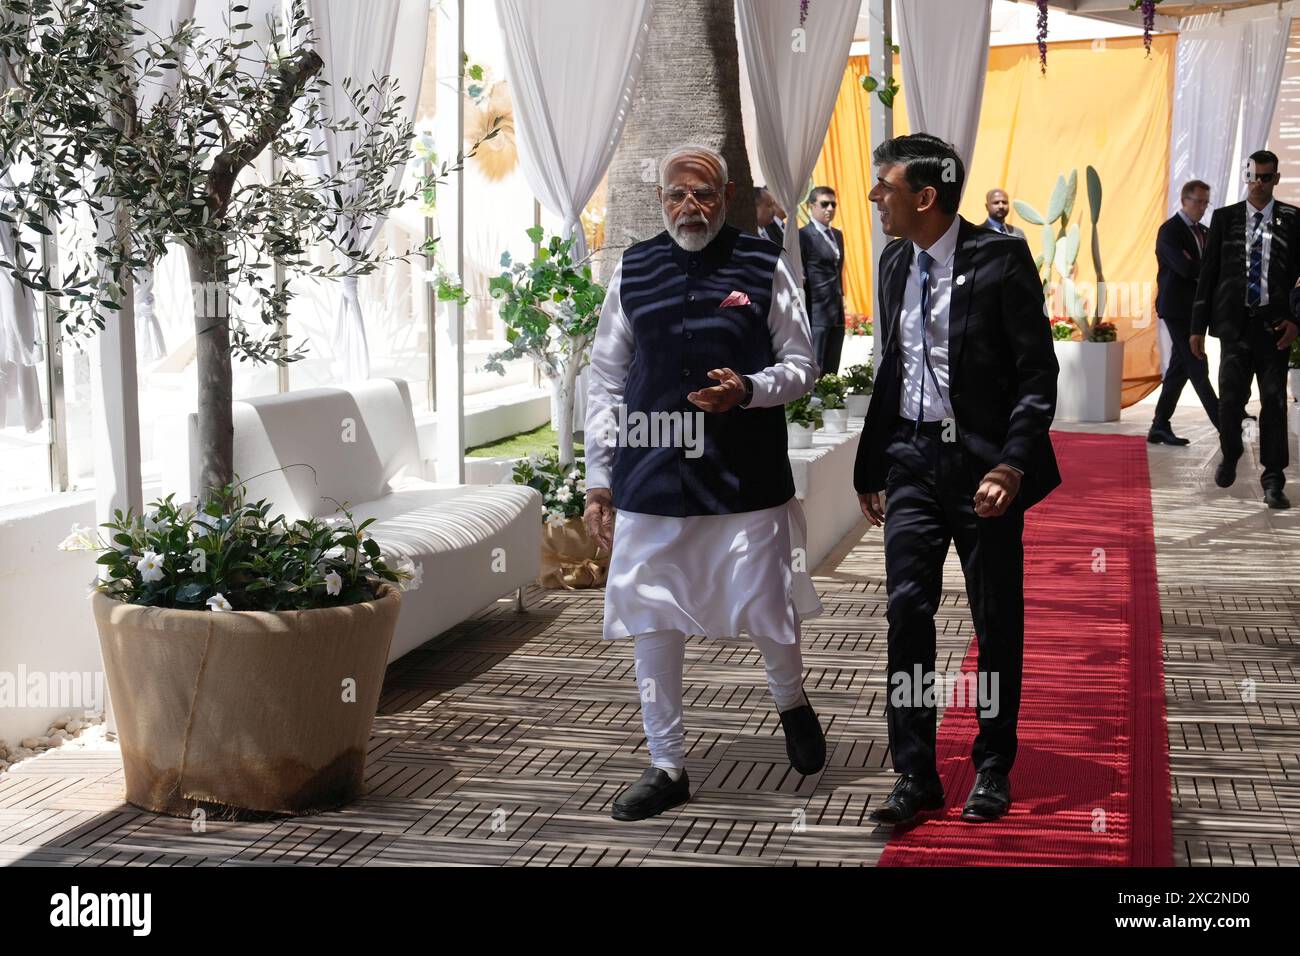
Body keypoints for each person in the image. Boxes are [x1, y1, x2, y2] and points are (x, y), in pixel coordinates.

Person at [584, 144, 825, 822]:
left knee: (765, 600)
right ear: (660, 201)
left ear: (726, 197)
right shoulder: (633, 269)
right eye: (676, 196)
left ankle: (790, 698)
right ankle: (666, 763)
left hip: (744, 474)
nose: (690, 207)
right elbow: (604, 377)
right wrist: (597, 481)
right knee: (651, 614)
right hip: (651, 474)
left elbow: (802, 364)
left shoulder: (761, 262)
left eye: (704, 194)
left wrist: (749, 389)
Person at [854, 133, 1060, 825]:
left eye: (884, 187)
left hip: (983, 468)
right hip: (912, 459)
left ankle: (993, 763)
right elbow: (894, 368)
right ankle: (914, 773)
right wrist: (874, 461)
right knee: (907, 611)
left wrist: (1012, 462)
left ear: (925, 195)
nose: (874, 197)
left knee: (994, 616)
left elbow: (1037, 374)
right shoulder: (891, 262)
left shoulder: (1001, 260)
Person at [1191, 149, 1300, 510]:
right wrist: (1196, 327)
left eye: (1265, 177)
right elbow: (1208, 276)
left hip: (1274, 328)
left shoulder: (1292, 220)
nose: (1257, 184)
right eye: (1252, 176)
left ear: (1276, 179)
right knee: (1231, 401)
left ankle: (1273, 480)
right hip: (1234, 328)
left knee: (1273, 402)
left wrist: (1296, 320)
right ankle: (1231, 450)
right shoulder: (1225, 219)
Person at [1150, 179, 1220, 445]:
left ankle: (1159, 425)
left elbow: (1212, 264)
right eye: (1198, 201)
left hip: (1197, 308)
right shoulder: (1169, 231)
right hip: (1176, 308)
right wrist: (1210, 267)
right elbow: (1185, 268)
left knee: (1181, 368)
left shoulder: (1204, 230)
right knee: (1197, 363)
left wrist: (1207, 267)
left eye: (1205, 202)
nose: (1202, 207)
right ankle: (1224, 425)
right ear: (1184, 200)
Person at [799, 185, 846, 374]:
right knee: (816, 360)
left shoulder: (837, 235)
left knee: (834, 358)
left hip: (836, 307)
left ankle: (830, 390)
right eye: (824, 204)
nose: (830, 209)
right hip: (816, 309)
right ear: (811, 206)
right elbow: (801, 274)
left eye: (833, 204)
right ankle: (813, 395)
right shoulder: (803, 235)